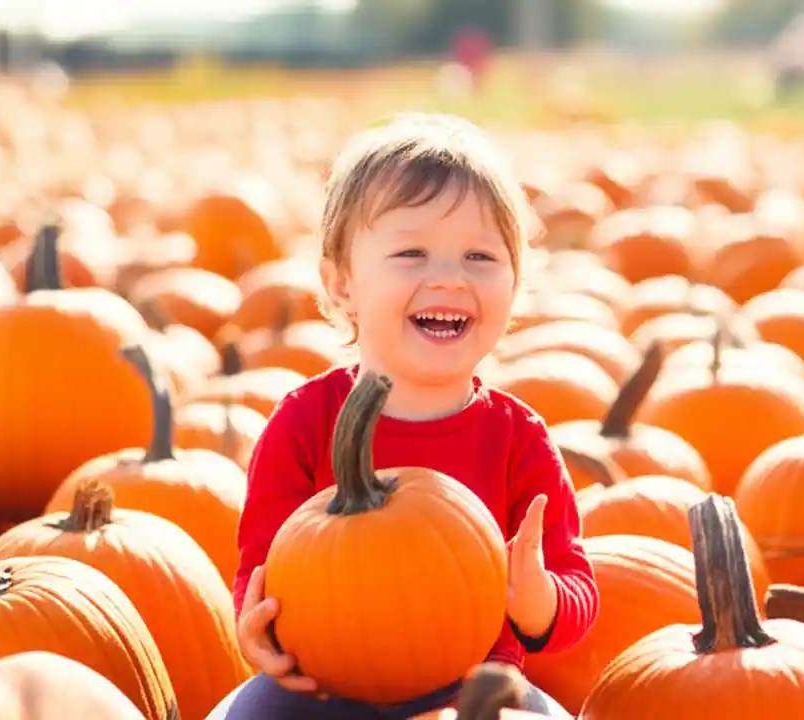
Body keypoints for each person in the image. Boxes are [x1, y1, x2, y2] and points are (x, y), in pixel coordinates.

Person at [207, 113, 598, 719]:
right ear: (341, 286)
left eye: (480, 256)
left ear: (515, 285)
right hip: (322, 688)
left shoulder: (517, 439)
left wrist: (539, 600)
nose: (448, 277)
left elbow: (575, 589)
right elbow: (260, 567)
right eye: (411, 253)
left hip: (474, 696)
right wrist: (254, 630)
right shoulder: (306, 423)